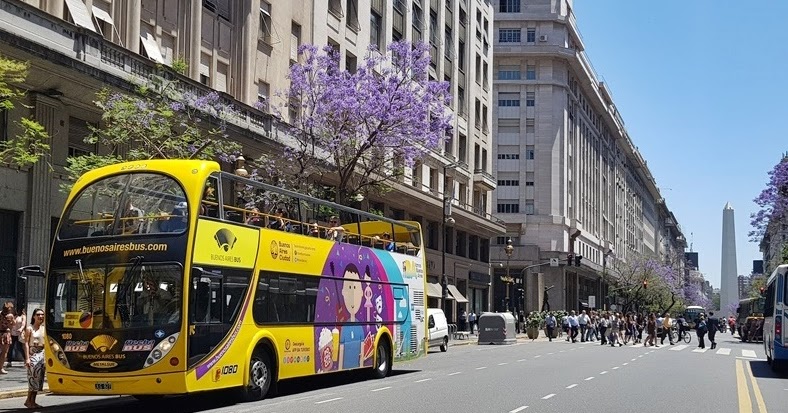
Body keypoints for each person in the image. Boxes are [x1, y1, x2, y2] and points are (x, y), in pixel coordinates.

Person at [22, 308, 45, 410]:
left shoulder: (44, 329)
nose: (40, 316)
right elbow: (26, 343)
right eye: (38, 314)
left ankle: (33, 401)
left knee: (39, 380)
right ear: (34, 316)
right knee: (32, 379)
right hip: (33, 354)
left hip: (42, 355)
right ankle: (28, 400)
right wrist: (27, 358)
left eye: (42, 315)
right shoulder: (29, 328)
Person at [0, 302, 14, 374]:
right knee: (4, 352)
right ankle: (1, 368)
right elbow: (12, 325)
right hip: (5, 333)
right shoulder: (10, 316)